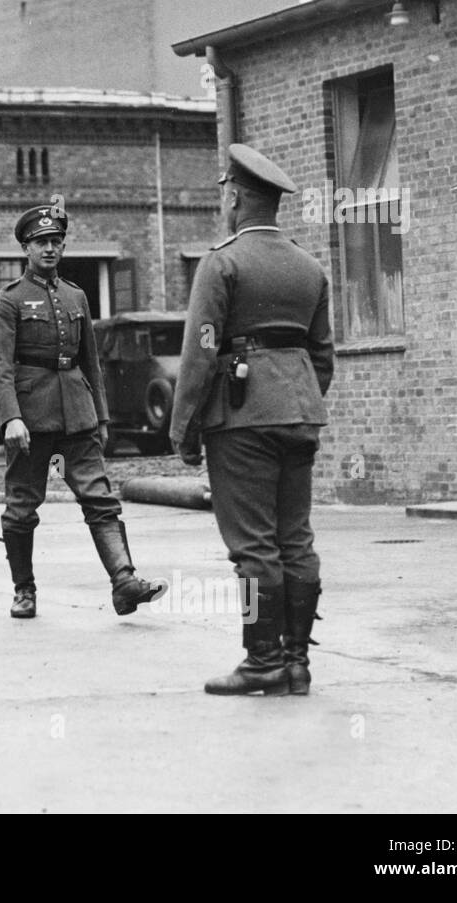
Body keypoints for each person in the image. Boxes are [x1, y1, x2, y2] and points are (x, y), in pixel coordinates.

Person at [169, 143, 334, 697]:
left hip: (240, 418)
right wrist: (297, 399)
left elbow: (199, 350)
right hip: (300, 414)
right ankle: (296, 662)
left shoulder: (223, 261)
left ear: (236, 197)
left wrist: (184, 428)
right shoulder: (310, 267)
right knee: (296, 540)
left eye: (225, 194)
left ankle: (262, 660)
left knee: (253, 547)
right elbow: (323, 356)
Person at [0, 204, 167, 620]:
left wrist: (101, 417)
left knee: (101, 500)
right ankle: (24, 590)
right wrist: (10, 417)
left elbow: (92, 364)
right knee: (22, 506)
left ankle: (124, 583)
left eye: (55, 242)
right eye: (40, 242)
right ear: (26, 249)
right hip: (30, 420)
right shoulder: (10, 300)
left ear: (63, 246)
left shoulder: (76, 296)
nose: (49, 249)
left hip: (78, 417)